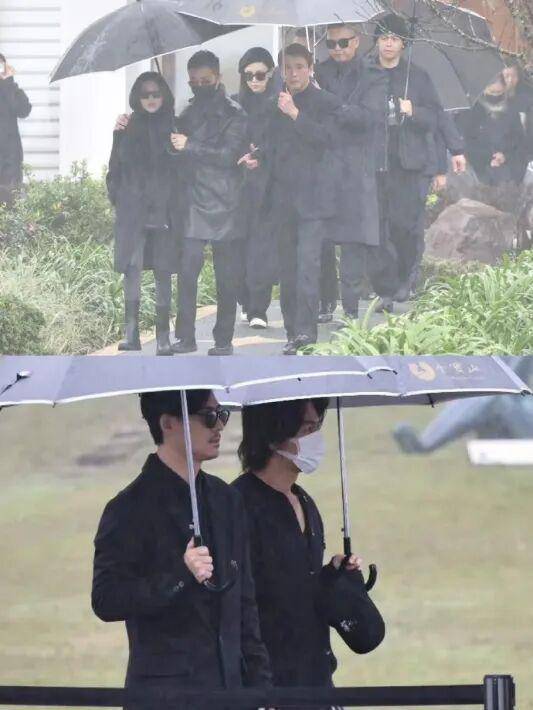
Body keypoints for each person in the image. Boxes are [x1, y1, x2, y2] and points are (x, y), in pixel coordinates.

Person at [92, 390, 272, 710]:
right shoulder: (128, 508)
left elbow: (245, 603)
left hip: (231, 694)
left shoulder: (227, 500)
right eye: (208, 417)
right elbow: (107, 599)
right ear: (168, 423)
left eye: (222, 414)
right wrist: (180, 574)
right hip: (166, 697)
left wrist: (262, 690)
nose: (220, 426)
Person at [232, 399, 364, 706]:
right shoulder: (236, 505)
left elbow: (300, 583)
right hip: (267, 687)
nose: (316, 438)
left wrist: (333, 576)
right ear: (273, 435)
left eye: (318, 427)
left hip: (317, 680)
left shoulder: (305, 501)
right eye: (307, 429)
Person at [242, 44, 343, 354]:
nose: (294, 74)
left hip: (313, 201)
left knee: (307, 268)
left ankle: (306, 334)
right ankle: (291, 331)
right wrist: (257, 156)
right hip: (282, 200)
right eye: (288, 68)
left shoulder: (325, 102)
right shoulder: (275, 103)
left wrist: (296, 114)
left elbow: (328, 139)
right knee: (287, 270)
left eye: (300, 67)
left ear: (310, 68)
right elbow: (271, 145)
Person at [170, 51, 248, 356]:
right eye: (194, 81)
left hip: (225, 199)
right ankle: (185, 336)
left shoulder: (235, 113)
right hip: (192, 199)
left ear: (218, 78)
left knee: (226, 276)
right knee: (187, 272)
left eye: (206, 80)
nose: (199, 85)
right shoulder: (185, 113)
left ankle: (224, 339)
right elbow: (173, 152)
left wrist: (190, 146)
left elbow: (229, 156)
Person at [315, 23, 388, 320]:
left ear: (356, 41)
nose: (337, 49)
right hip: (321, 164)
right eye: (331, 44)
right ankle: (325, 302)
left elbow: (368, 118)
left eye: (343, 43)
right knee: (319, 239)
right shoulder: (318, 73)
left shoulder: (374, 75)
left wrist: (330, 104)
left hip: (356, 168)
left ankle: (350, 309)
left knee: (352, 242)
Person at [371, 14, 442, 313]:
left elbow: (434, 117)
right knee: (377, 227)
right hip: (374, 160)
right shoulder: (366, 73)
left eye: (395, 39)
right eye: (384, 38)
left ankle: (405, 278)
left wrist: (413, 111)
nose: (388, 44)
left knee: (404, 225)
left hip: (407, 162)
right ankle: (384, 288)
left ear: (403, 44)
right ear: (376, 41)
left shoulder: (418, 76)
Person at [107, 72, 180, 356]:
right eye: (145, 94)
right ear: (137, 97)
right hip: (132, 209)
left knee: (163, 270)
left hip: (163, 209)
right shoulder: (126, 126)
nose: (150, 99)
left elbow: (183, 170)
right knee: (132, 268)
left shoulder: (174, 126)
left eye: (156, 93)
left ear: (164, 96)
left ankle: (163, 337)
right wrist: (118, 197)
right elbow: (114, 167)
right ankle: (132, 334)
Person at [234, 47, 279, 330]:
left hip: (270, 187)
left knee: (262, 249)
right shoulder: (234, 105)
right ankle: (245, 300)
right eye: (248, 75)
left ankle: (258, 308)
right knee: (239, 247)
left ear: (270, 74)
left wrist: (260, 155)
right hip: (239, 187)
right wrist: (241, 154)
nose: (254, 81)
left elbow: (285, 143)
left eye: (260, 75)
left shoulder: (280, 103)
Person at [456, 73, 525, 186]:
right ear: (484, 90)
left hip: (507, 173)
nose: (495, 96)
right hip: (477, 171)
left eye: (499, 92)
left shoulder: (511, 109)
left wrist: (505, 156)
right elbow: (465, 141)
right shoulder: (471, 110)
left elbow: (518, 139)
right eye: (492, 92)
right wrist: (489, 157)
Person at [0, 53, 31, 205]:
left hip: (9, 158)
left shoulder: (11, 88)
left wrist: (9, 82)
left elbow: (24, 110)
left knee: (10, 201)